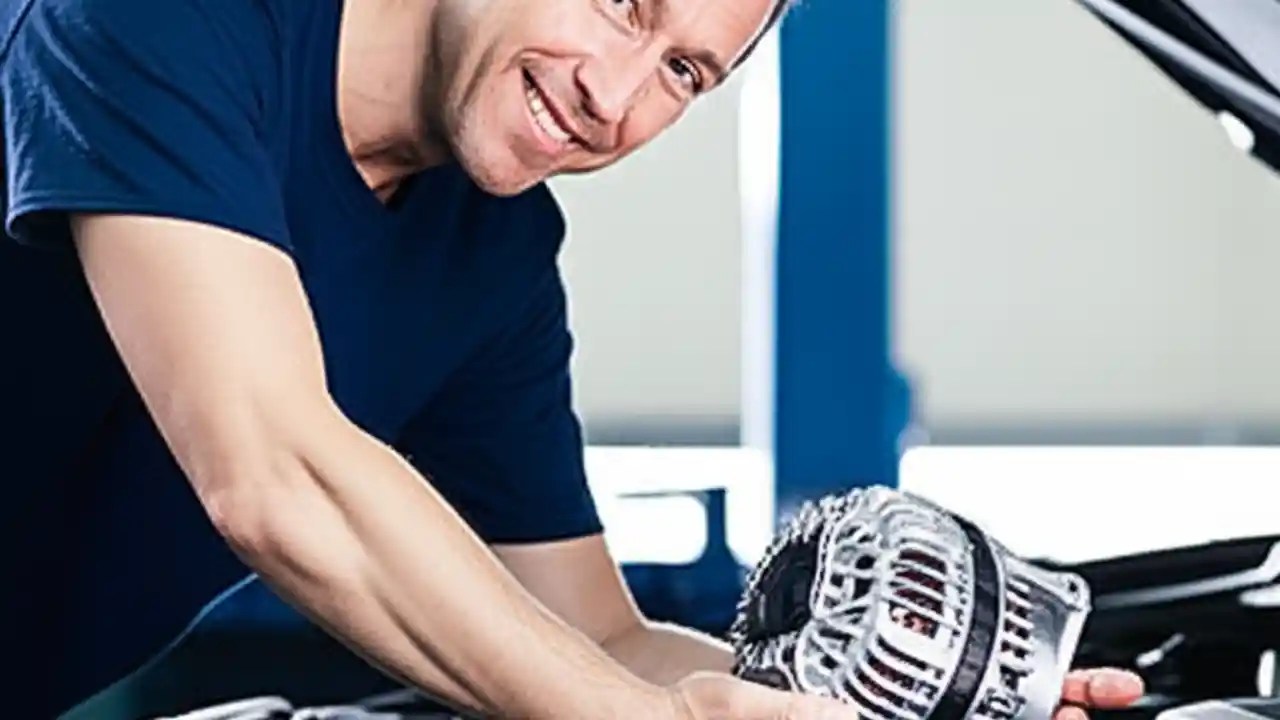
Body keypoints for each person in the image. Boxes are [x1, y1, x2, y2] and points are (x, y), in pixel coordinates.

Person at [0, 0, 1144, 717]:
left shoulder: (490, 257)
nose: (613, 95)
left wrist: (920, 705)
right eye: (618, 3)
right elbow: (273, 475)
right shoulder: (164, 16)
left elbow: (596, 636)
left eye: (684, 75)